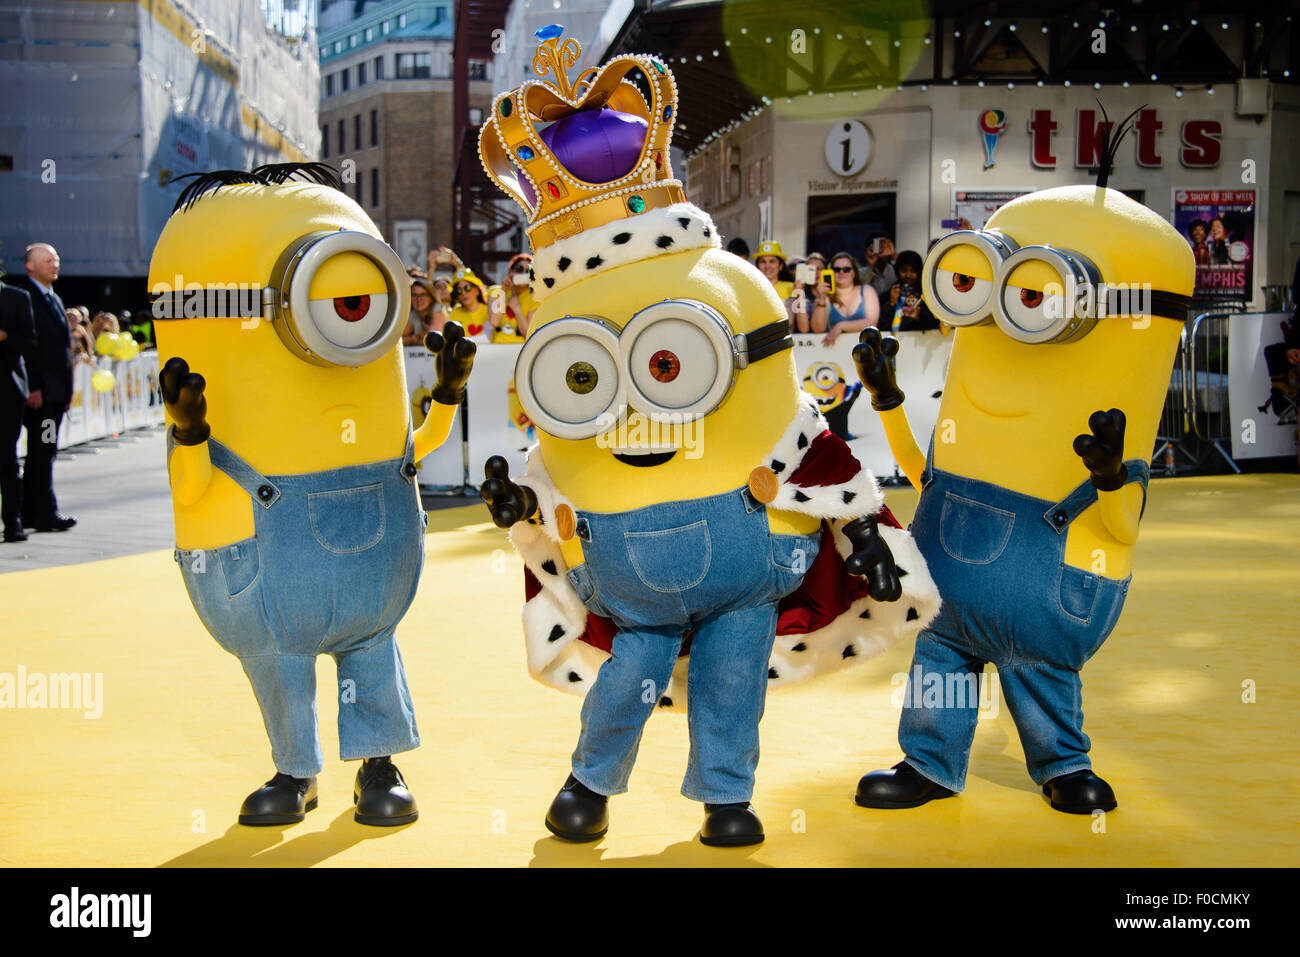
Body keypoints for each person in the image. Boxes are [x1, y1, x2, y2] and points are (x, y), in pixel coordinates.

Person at [10, 244, 76, 532]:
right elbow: (31, 348)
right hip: (42, 396)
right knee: (43, 450)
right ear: (30, 266)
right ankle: (44, 512)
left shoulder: (54, 299)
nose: (54, 265)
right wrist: (35, 387)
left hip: (56, 394)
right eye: (48, 260)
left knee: (44, 450)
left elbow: (63, 349)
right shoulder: (26, 298)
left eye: (56, 260)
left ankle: (30, 511)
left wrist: (68, 390)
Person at [0, 279, 36, 542]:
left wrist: (6, 337)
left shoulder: (17, 297)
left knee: (7, 458)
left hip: (7, 391)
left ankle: (13, 522)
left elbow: (31, 342)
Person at [815, 251, 880, 346]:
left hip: (865, 352)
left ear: (854, 273)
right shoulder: (825, 295)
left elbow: (871, 323)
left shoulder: (866, 290)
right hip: (833, 352)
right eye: (836, 269)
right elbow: (818, 328)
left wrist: (840, 326)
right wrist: (821, 298)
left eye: (846, 269)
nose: (841, 272)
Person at [888, 250, 940, 332]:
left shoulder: (927, 294)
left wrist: (919, 317)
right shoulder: (890, 293)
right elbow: (882, 326)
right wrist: (891, 303)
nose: (908, 275)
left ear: (919, 272)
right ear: (897, 270)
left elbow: (935, 323)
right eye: (904, 270)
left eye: (913, 271)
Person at [449, 267, 502, 341]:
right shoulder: (455, 312)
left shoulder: (489, 311)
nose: (463, 293)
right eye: (459, 290)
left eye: (467, 288)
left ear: (476, 291)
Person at [496, 252, 537, 342]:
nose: (523, 273)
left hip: (518, 348)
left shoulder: (535, 298)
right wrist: (503, 291)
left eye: (528, 271)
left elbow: (529, 335)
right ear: (511, 271)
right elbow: (494, 322)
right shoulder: (498, 291)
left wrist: (517, 310)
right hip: (497, 345)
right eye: (519, 269)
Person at [402, 278, 436, 346]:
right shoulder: (414, 314)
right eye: (414, 295)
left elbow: (433, 339)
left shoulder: (438, 309)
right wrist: (415, 338)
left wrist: (412, 339)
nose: (418, 299)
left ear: (431, 297)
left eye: (422, 295)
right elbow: (398, 340)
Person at [863, 233, 898, 297]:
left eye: (884, 245)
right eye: (877, 244)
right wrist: (871, 265)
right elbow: (859, 291)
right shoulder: (861, 272)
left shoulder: (895, 270)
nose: (880, 248)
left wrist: (894, 255)